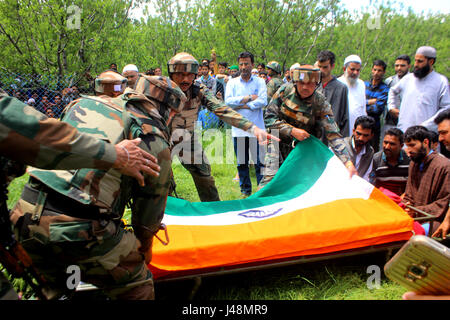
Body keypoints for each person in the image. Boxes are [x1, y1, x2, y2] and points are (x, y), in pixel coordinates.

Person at [8, 74, 186, 300]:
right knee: (137, 282)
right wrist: (144, 251)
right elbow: (147, 219)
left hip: (24, 214)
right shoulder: (153, 138)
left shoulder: (82, 104)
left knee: (53, 285)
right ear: (170, 111)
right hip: (79, 228)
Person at [168, 52, 277, 201]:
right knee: (159, 179)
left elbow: (222, 109)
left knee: (205, 177)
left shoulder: (198, 90)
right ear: (172, 74)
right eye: (180, 74)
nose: (185, 79)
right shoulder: (161, 88)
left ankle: (214, 213)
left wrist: (253, 128)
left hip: (187, 139)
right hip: (163, 138)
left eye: (189, 74)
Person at [259, 65, 357, 189]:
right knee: (269, 181)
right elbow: (269, 118)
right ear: (295, 82)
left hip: (303, 149)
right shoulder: (285, 91)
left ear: (316, 83)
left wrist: (347, 162)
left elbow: (333, 134)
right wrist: (292, 131)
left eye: (310, 83)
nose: (305, 87)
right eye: (301, 83)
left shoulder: (320, 102)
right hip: (276, 142)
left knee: (299, 186)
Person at [225, 52, 268, 197]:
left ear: (252, 65)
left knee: (259, 162)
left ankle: (262, 190)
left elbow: (263, 101)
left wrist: (242, 105)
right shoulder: (232, 82)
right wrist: (249, 98)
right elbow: (228, 102)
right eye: (241, 64)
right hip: (239, 129)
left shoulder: (260, 82)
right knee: (242, 162)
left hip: (257, 129)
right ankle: (245, 191)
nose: (244, 67)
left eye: (246, 64)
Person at [388, 46, 450, 134]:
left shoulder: (440, 81)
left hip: (426, 133)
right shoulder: (408, 78)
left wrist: (426, 125)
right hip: (404, 129)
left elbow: (446, 108)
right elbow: (392, 91)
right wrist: (391, 107)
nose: (416, 64)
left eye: (420, 61)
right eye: (415, 60)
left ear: (431, 62)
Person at [402, 125, 449, 234]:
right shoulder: (414, 163)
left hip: (434, 221)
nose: (409, 150)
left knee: (413, 234)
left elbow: (443, 203)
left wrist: (417, 212)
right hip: (413, 216)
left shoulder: (444, 166)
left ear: (426, 142)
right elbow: (409, 195)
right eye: (407, 146)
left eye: (412, 145)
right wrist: (407, 208)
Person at [316, 50, 350, 138]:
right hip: (314, 136)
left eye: (325, 67)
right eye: (319, 67)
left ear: (332, 66)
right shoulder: (313, 85)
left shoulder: (341, 88)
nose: (321, 70)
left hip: (332, 137)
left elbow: (345, 117)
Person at [370, 128, 410, 196]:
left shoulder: (409, 160)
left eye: (392, 144)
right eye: (385, 142)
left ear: (401, 146)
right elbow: (371, 185)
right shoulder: (375, 160)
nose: (387, 147)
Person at [338, 55, 367, 137]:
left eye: (358, 70)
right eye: (352, 69)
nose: (355, 73)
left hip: (358, 130)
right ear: (344, 69)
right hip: (341, 128)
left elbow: (363, 108)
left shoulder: (361, 84)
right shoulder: (337, 84)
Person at [365, 59, 390, 152]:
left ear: (384, 72)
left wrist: (364, 103)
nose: (376, 73)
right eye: (375, 70)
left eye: (379, 70)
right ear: (372, 70)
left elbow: (377, 109)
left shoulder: (385, 89)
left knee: (372, 151)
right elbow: (358, 103)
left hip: (374, 125)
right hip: (360, 122)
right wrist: (369, 102)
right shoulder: (364, 85)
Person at [342, 116, 376, 181]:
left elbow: (366, 176)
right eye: (358, 134)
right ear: (353, 131)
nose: (361, 138)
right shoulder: (341, 145)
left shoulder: (369, 152)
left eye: (365, 135)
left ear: (371, 135)